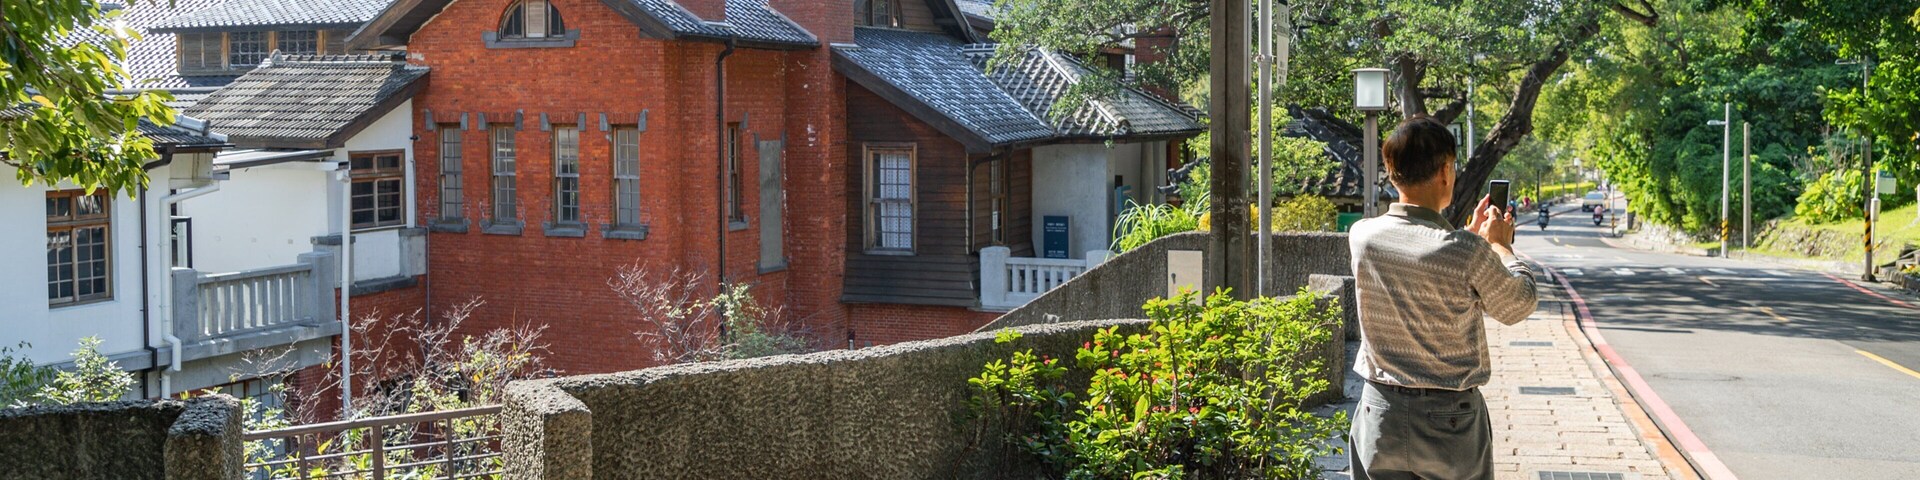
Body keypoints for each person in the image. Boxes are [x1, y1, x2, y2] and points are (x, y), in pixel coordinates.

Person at [1347, 115, 1539, 480]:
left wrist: (1467, 236)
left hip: (1380, 412)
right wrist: (1500, 247)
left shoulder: (1362, 236)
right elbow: (1518, 304)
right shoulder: (1465, 252)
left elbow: (1421, 252)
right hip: (1450, 421)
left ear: (1391, 173)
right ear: (1445, 172)